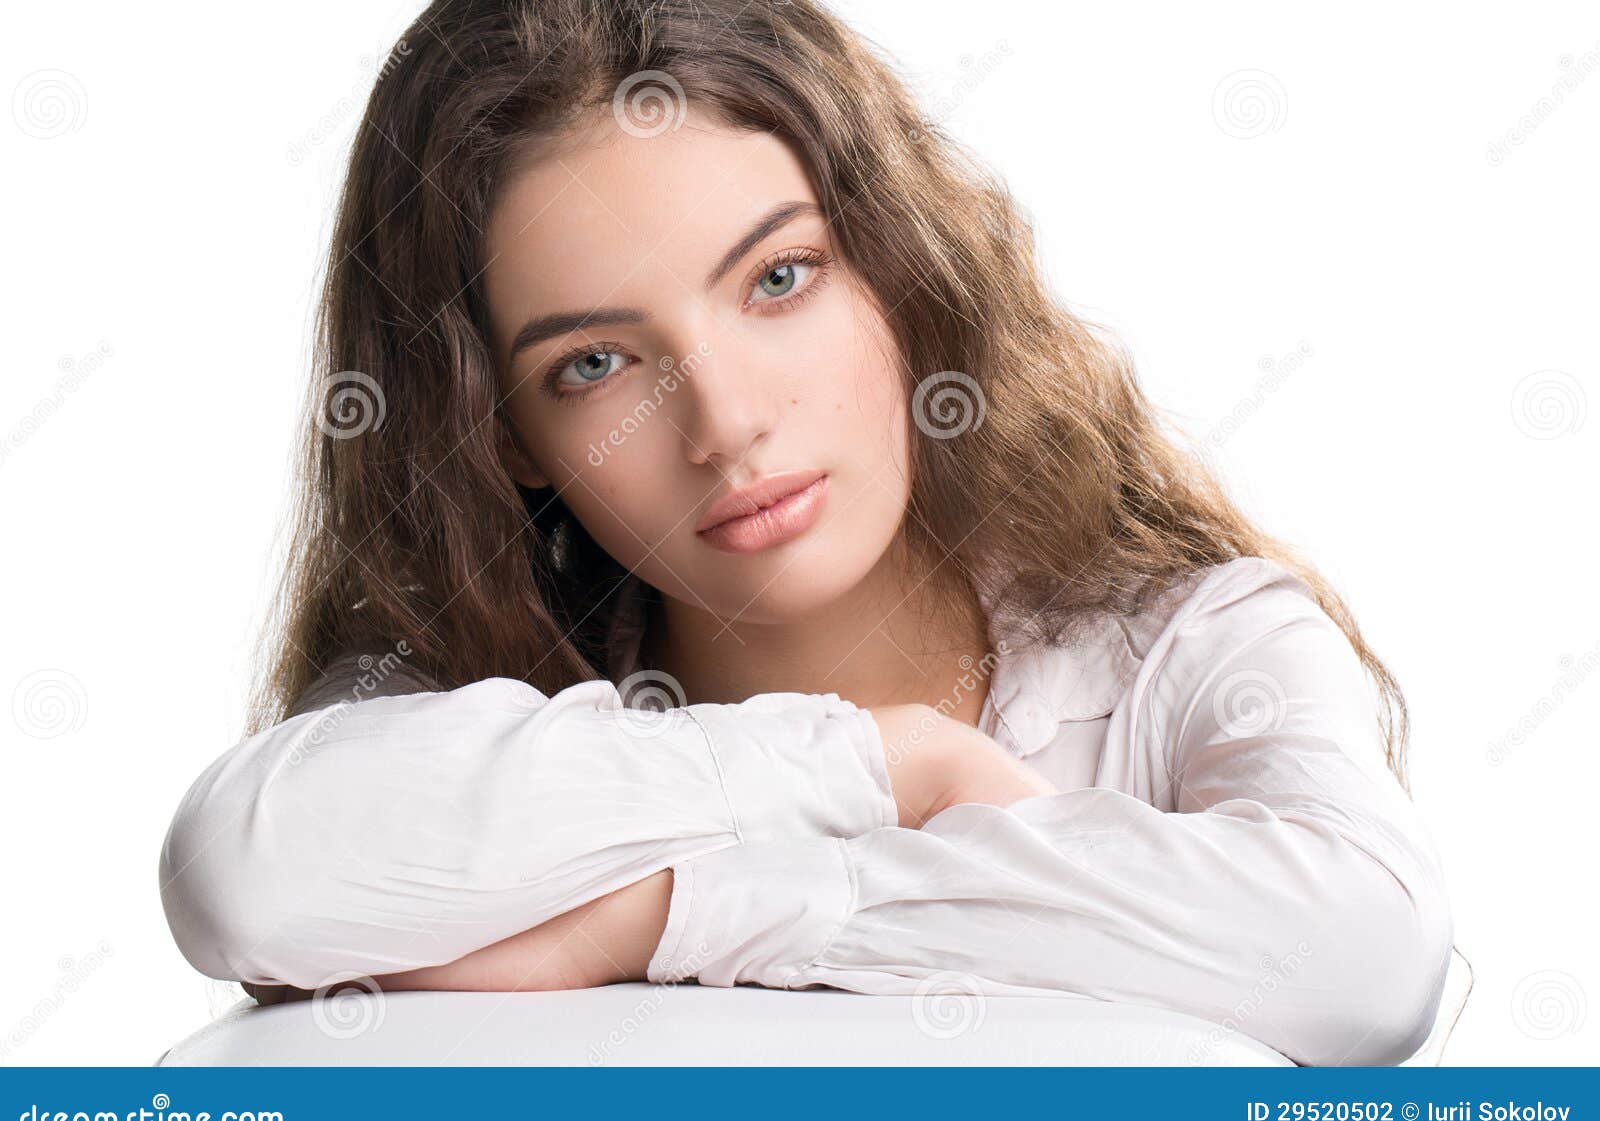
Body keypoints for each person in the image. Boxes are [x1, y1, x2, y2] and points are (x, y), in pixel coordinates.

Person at [158, 0, 1453, 1067]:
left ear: (897, 264)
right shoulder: (474, 700)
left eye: (779, 279)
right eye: (598, 362)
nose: (724, 423)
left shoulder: (1190, 651)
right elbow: (242, 876)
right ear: (501, 433)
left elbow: (1363, 959)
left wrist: (683, 907)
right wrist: (886, 767)